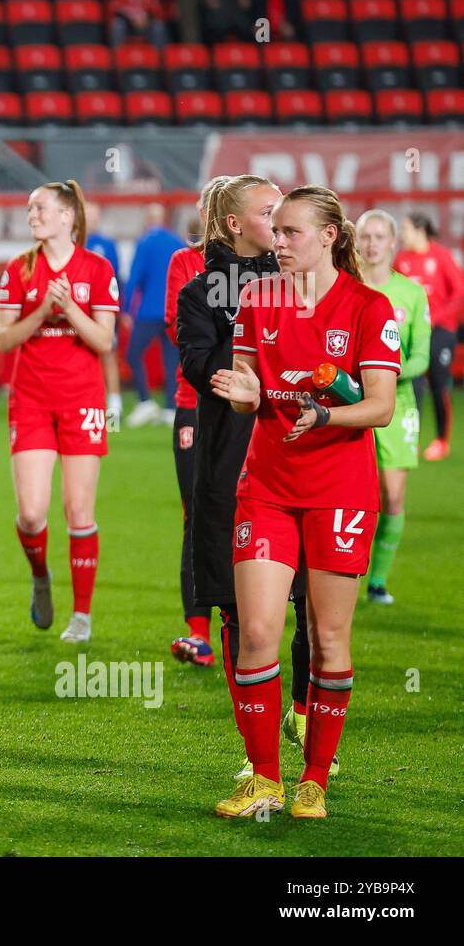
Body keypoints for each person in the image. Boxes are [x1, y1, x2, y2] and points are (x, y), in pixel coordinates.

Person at [210, 185, 399, 819]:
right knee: (258, 631)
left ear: (329, 236)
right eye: (275, 231)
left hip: (340, 492)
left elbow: (380, 405)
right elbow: (250, 394)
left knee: (327, 639)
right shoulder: (258, 300)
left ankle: (313, 778)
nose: (278, 243)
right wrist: (241, 390)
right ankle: (263, 777)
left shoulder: (369, 307)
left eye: (291, 233)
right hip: (265, 484)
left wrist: (323, 415)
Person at [178, 175, 320, 783]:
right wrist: (263, 369)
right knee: (242, 613)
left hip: (309, 461)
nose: (279, 220)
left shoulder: (306, 282)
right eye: (269, 212)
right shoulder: (200, 294)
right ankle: (256, 751)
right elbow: (207, 367)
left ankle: (307, 714)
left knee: (315, 608)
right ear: (235, 224)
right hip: (235, 466)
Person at [0, 181, 119, 644]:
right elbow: (5, 339)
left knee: (78, 509)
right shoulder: (19, 269)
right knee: (30, 513)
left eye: (41, 207)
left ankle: (82, 616)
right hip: (29, 398)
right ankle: (41, 576)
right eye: (29, 207)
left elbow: (105, 341)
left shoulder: (98, 268)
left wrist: (69, 308)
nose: (32, 214)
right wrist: (43, 309)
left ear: (68, 216)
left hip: (82, 399)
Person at [356, 210, 431, 604]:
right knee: (351, 495)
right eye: (365, 236)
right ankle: (347, 570)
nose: (371, 244)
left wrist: (385, 373)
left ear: (392, 243)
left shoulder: (412, 294)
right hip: (351, 404)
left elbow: (421, 357)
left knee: (392, 498)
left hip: (397, 407)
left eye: (380, 236)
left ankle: (378, 581)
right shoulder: (346, 288)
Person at [166, 178, 227, 665]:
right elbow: (176, 329)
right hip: (196, 404)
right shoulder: (185, 262)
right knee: (196, 514)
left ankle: (253, 622)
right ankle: (198, 632)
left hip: (259, 409)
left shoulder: (271, 268)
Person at [394, 213, 464, 461]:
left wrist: (433, 317)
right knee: (411, 385)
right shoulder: (401, 260)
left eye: (405, 229)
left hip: (441, 330)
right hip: (413, 334)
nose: (402, 234)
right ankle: (410, 436)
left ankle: (441, 440)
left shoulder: (441, 256)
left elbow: (459, 293)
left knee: (438, 385)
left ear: (420, 230)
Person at [124, 205, 185, 427]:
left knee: (132, 354)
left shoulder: (145, 242)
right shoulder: (178, 242)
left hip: (149, 310)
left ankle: (145, 401)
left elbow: (135, 277)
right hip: (174, 311)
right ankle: (171, 407)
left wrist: (127, 310)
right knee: (172, 360)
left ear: (148, 219)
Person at [84, 200, 124, 423]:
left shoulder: (107, 244)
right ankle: (86, 405)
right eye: (87, 215)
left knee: (109, 354)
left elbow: (116, 278)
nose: (90, 219)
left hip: (103, 309)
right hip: (79, 310)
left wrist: (119, 309)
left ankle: (114, 407)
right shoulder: (74, 242)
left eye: (93, 215)